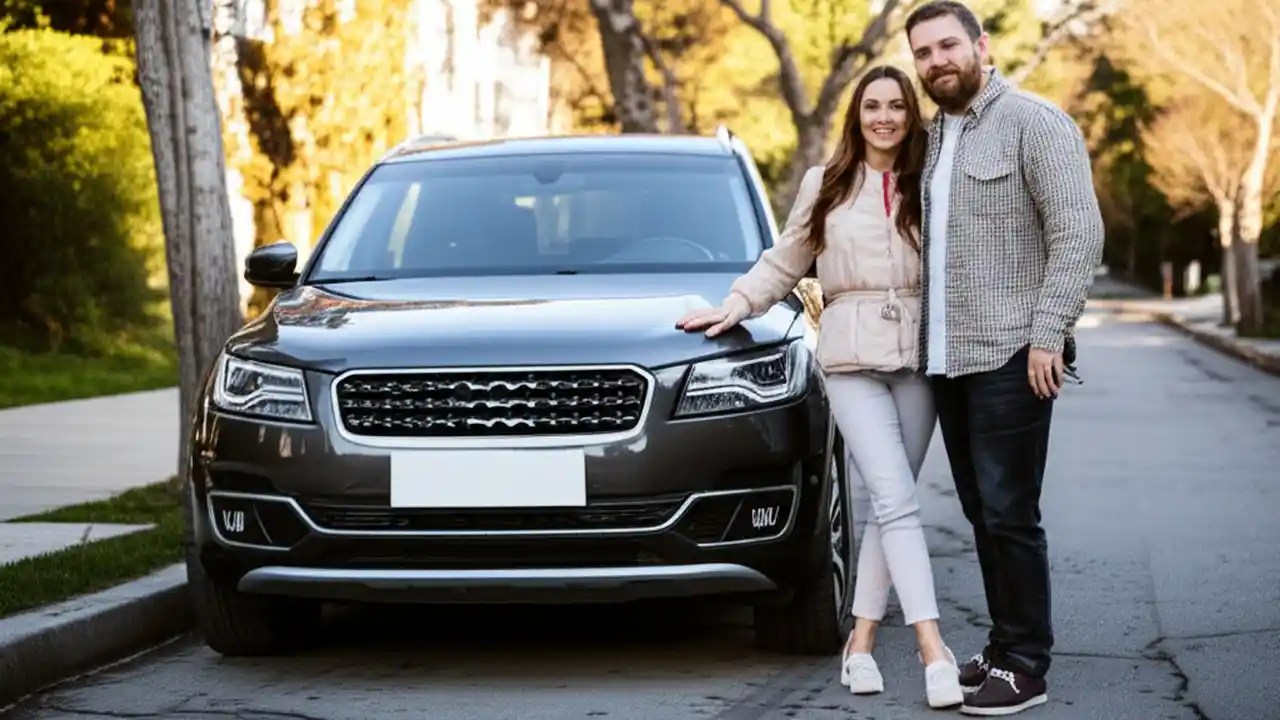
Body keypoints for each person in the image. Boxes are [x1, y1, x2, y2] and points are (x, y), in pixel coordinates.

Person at [676, 65, 964, 710]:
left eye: (896, 106)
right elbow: (786, 257)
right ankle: (932, 650)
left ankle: (858, 644)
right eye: (872, 106)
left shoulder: (932, 182)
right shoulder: (826, 182)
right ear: (855, 115)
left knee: (895, 507)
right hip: (850, 354)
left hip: (919, 353)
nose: (884, 117)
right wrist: (736, 304)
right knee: (893, 498)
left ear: (910, 114)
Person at [904, 1, 1105, 715]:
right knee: (981, 510)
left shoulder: (1035, 123)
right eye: (923, 53)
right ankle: (1002, 642)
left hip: (1013, 354)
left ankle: (1025, 664)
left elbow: (1078, 233)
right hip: (947, 359)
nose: (936, 62)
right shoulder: (930, 140)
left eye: (947, 46)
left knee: (1011, 511)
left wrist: (1049, 332)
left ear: (980, 46)